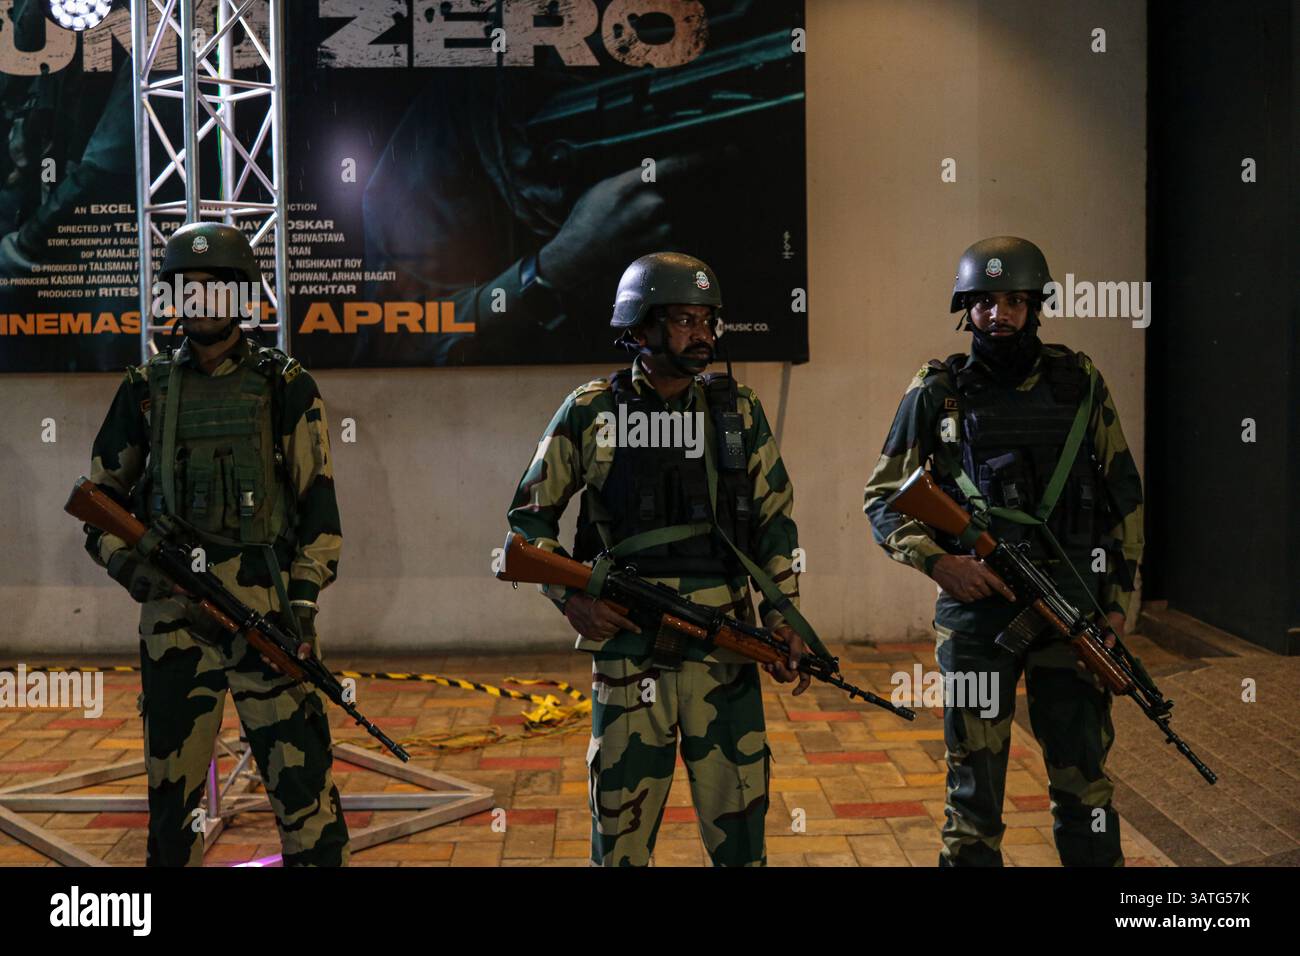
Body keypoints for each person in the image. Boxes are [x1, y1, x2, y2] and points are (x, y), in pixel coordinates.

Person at [506, 252, 815, 866]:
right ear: (640, 327)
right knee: (620, 838)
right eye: (683, 320)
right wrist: (573, 600)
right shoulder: (593, 412)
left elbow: (776, 524)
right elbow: (528, 523)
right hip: (627, 653)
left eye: (707, 320)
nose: (701, 334)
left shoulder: (738, 413)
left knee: (741, 835)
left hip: (725, 648)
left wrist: (786, 617)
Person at [863, 236, 1144, 867]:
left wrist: (1119, 604)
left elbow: (1125, 498)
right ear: (967, 308)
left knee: (1085, 786)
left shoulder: (1081, 383)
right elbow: (884, 496)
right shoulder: (938, 391)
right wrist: (938, 562)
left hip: (1071, 608)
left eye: (1015, 301)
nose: (1001, 315)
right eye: (987, 302)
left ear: (1036, 305)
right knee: (973, 794)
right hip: (978, 619)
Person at [82, 222, 350, 866]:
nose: (201, 303)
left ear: (240, 297)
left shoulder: (285, 384)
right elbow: (97, 507)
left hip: (270, 619)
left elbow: (320, 512)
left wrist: (305, 610)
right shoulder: (146, 389)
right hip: (175, 624)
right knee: (173, 818)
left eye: (215, 289)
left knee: (306, 803)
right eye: (188, 290)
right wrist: (141, 577)